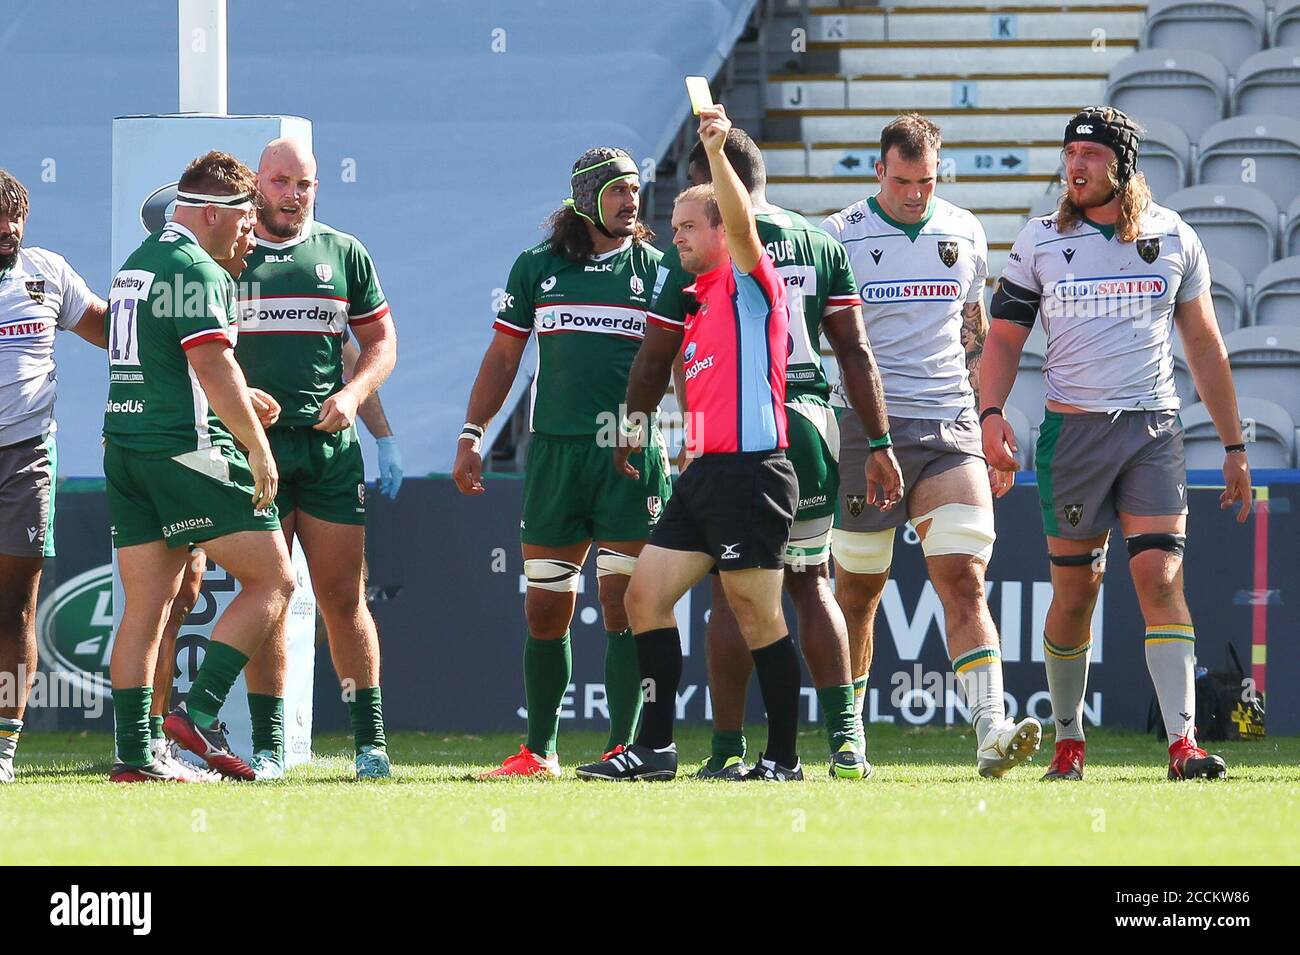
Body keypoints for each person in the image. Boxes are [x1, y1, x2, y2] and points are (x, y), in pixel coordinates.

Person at [980, 106, 1253, 781]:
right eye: (1070, 153)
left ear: (1122, 165)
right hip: (1072, 434)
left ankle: (1182, 744)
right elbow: (1006, 339)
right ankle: (1069, 741)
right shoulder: (1037, 241)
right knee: (1078, 594)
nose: (1075, 166)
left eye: (1091, 155)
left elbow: (1204, 346)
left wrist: (1234, 444)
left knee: (1159, 578)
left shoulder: (1173, 237)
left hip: (1153, 430)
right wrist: (990, 414)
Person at [648, 129, 900, 779]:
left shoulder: (709, 241)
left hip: (744, 428)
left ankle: (729, 748)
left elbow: (679, 351)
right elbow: (854, 349)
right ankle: (847, 742)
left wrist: (683, 431)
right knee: (812, 583)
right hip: (814, 422)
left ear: (718, 179)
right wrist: (877, 441)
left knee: (734, 594)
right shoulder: (819, 240)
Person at [576, 104, 803, 782]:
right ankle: (655, 748)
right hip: (705, 475)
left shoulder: (746, 281)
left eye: (685, 227)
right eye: (671, 226)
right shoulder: (700, 300)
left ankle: (784, 759)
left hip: (753, 474)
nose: (673, 236)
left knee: (757, 614)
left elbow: (740, 222)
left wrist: (715, 151)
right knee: (644, 597)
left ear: (721, 231)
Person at [823, 114, 1042, 777]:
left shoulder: (966, 230)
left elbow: (973, 333)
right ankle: (849, 735)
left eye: (927, 180)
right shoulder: (839, 235)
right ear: (877, 171)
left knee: (965, 583)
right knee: (858, 591)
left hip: (949, 428)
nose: (916, 193)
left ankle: (991, 732)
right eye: (903, 180)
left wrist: (988, 422)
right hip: (865, 430)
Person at [453, 146, 669, 778]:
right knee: (547, 607)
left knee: (625, 603)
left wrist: (689, 438)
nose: (632, 202)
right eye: (618, 192)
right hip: (554, 456)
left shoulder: (658, 272)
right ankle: (539, 750)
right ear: (586, 199)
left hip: (627, 453)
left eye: (635, 191)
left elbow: (682, 364)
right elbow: (503, 359)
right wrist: (473, 434)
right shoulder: (536, 269)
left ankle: (620, 747)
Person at [104, 151, 295, 782]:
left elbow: (184, 363)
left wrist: (240, 400)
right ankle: (198, 710)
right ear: (213, 214)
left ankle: (135, 757)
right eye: (246, 223)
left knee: (146, 607)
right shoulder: (196, 268)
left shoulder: (139, 262)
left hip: (125, 448)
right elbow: (213, 366)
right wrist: (257, 449)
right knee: (274, 581)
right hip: (182, 450)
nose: (251, 237)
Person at [232, 138, 398, 780]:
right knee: (271, 594)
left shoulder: (343, 251)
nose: (292, 195)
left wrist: (355, 397)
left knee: (342, 596)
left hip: (328, 454)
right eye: (279, 182)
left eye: (303, 184)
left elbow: (381, 340)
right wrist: (240, 401)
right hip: (254, 453)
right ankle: (269, 748)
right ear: (257, 183)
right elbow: (199, 350)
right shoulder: (228, 256)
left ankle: (370, 744)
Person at [0, 169, 108, 783]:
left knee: (15, 607)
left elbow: (115, 332)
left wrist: (208, 358)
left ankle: (3, 754)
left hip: (26, 458)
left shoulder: (46, 273)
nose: (8, 230)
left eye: (16, 218)